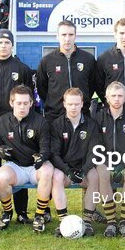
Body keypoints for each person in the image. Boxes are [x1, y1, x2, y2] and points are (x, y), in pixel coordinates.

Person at [0, 84, 55, 233]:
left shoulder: (41, 122)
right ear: (11, 103)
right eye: (19, 103)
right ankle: (7, 212)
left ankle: (39, 215)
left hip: (35, 167)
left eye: (26, 103)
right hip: (15, 166)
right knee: (1, 176)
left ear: (32, 103)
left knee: (47, 171)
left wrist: (42, 156)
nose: (22, 107)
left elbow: (46, 148)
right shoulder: (1, 122)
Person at [47, 87, 105, 236]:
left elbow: (94, 152)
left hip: (83, 168)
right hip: (64, 169)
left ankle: (87, 221)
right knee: (57, 177)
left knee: (94, 176)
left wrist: (84, 170)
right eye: (70, 104)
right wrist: (67, 171)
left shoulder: (91, 125)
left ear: (82, 104)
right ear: (64, 104)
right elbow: (54, 153)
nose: (73, 107)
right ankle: (63, 222)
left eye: (76, 104)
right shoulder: (56, 124)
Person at [93, 81, 125, 237]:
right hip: (105, 161)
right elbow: (95, 145)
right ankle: (111, 222)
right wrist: (106, 162)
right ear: (106, 98)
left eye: (120, 96)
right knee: (102, 173)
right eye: (113, 96)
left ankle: (124, 222)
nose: (117, 99)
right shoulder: (98, 118)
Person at [36, 20, 97, 123]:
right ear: (57, 36)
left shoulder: (88, 59)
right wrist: (55, 104)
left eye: (71, 34)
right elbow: (42, 89)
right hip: (54, 117)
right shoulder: (47, 61)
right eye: (63, 35)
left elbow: (92, 85)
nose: (67, 39)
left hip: (82, 115)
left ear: (75, 36)